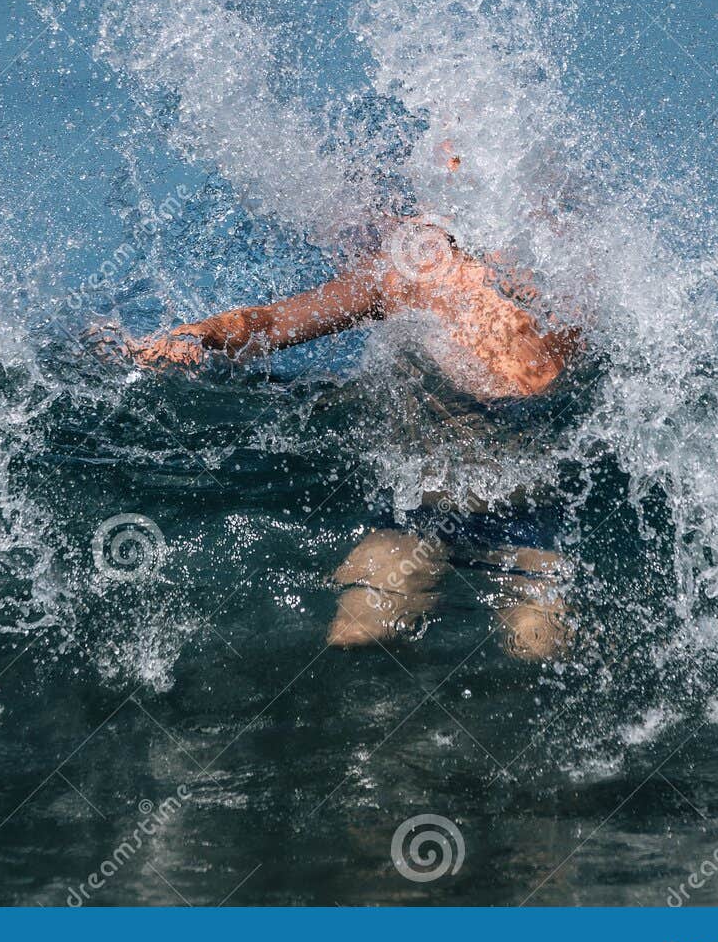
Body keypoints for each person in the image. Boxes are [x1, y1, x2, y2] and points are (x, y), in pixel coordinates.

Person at [108, 216, 584, 659]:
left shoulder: (544, 285)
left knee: (537, 646)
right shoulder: (395, 279)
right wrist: (192, 336)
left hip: (525, 516)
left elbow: (572, 373)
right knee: (355, 634)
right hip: (415, 512)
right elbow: (273, 323)